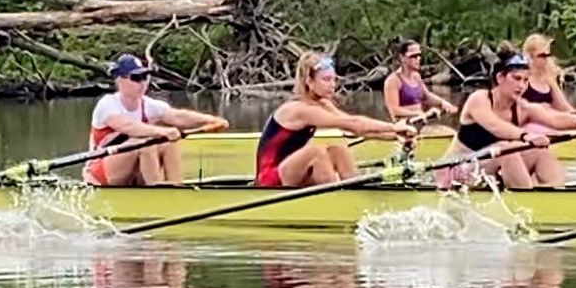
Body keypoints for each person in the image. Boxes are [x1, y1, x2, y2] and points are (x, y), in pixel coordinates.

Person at [444, 44, 576, 189]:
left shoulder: (523, 108)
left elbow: (556, 119)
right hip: (457, 171)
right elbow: (495, 126)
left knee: (540, 151)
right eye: (517, 78)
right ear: (500, 78)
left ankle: (556, 196)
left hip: (486, 169)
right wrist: (526, 136)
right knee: (508, 151)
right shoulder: (479, 99)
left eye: (526, 80)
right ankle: (529, 201)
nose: (522, 86)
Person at [256, 52, 417, 187]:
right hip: (270, 177)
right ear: (309, 81)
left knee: (337, 150)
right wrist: (393, 127)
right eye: (326, 80)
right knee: (316, 152)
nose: (332, 85)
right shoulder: (299, 109)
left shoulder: (323, 103)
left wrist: (396, 136)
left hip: (293, 171)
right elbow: (353, 123)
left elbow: (356, 129)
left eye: (334, 79)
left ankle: (355, 193)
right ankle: (336, 198)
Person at [84, 54, 229, 186]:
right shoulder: (107, 104)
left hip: (129, 168)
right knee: (146, 142)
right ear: (120, 80)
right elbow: (128, 126)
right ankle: (155, 189)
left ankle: (176, 186)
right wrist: (163, 132)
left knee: (168, 142)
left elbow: (178, 116)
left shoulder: (148, 104)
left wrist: (211, 120)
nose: (143, 83)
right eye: (136, 78)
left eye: (145, 77)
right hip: (102, 172)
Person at [381, 40, 458, 129]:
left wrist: (443, 103)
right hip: (403, 126)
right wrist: (420, 114)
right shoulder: (393, 81)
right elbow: (394, 110)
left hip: (420, 122)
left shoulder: (416, 76)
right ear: (402, 58)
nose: (418, 59)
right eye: (414, 56)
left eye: (419, 55)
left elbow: (427, 97)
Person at [521, 34, 576, 114]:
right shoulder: (523, 79)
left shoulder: (548, 78)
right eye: (542, 56)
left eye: (547, 55)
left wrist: (574, 112)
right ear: (530, 57)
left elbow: (563, 107)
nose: (545, 59)